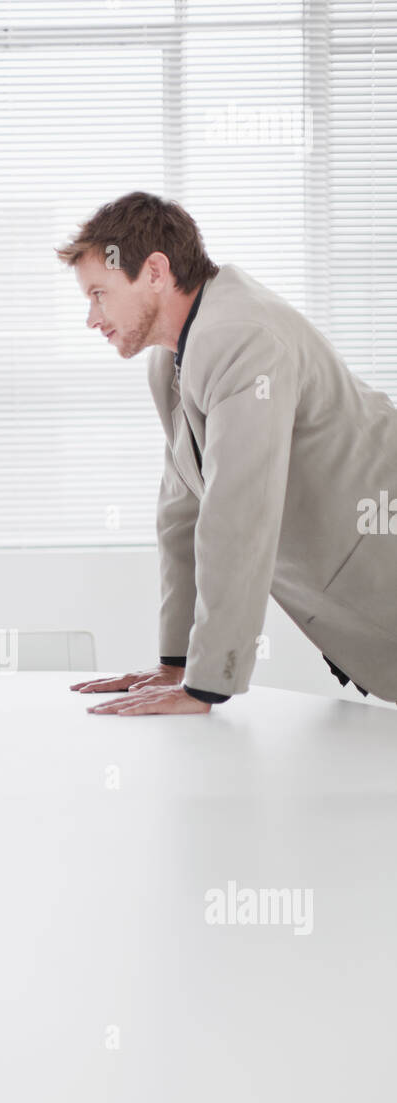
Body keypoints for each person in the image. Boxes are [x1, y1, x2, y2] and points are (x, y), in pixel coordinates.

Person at [56, 191, 397, 717]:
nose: (91, 318)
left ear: (155, 272)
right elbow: (182, 514)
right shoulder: (171, 357)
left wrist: (207, 684)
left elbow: (239, 514)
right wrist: (177, 662)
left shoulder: (242, 337)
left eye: (99, 294)